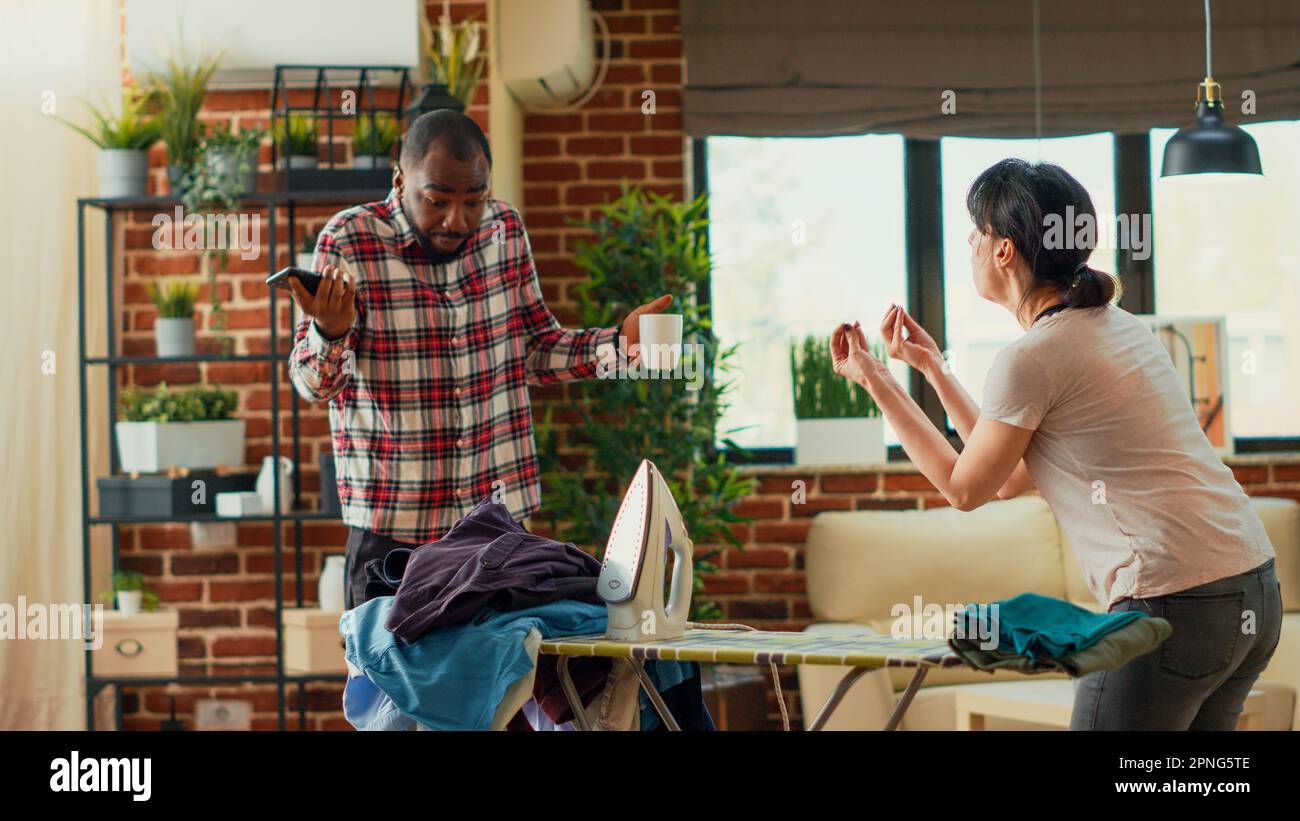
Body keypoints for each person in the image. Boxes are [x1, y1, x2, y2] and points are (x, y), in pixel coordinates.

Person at [830, 158, 1281, 730]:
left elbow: (965, 488)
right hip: (1251, 590)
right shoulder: (1119, 325)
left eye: (977, 230)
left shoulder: (1032, 358)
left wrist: (878, 380)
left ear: (1004, 250)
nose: (969, 242)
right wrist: (935, 370)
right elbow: (1012, 478)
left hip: (1171, 602)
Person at [287, 110, 671, 609]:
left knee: (505, 683)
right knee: (394, 688)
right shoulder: (349, 240)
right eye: (437, 200)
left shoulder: (505, 230)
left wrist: (619, 345)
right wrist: (329, 332)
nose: (457, 220)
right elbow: (313, 384)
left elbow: (534, 349)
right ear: (400, 180)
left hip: (496, 528)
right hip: (395, 537)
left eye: (474, 199)